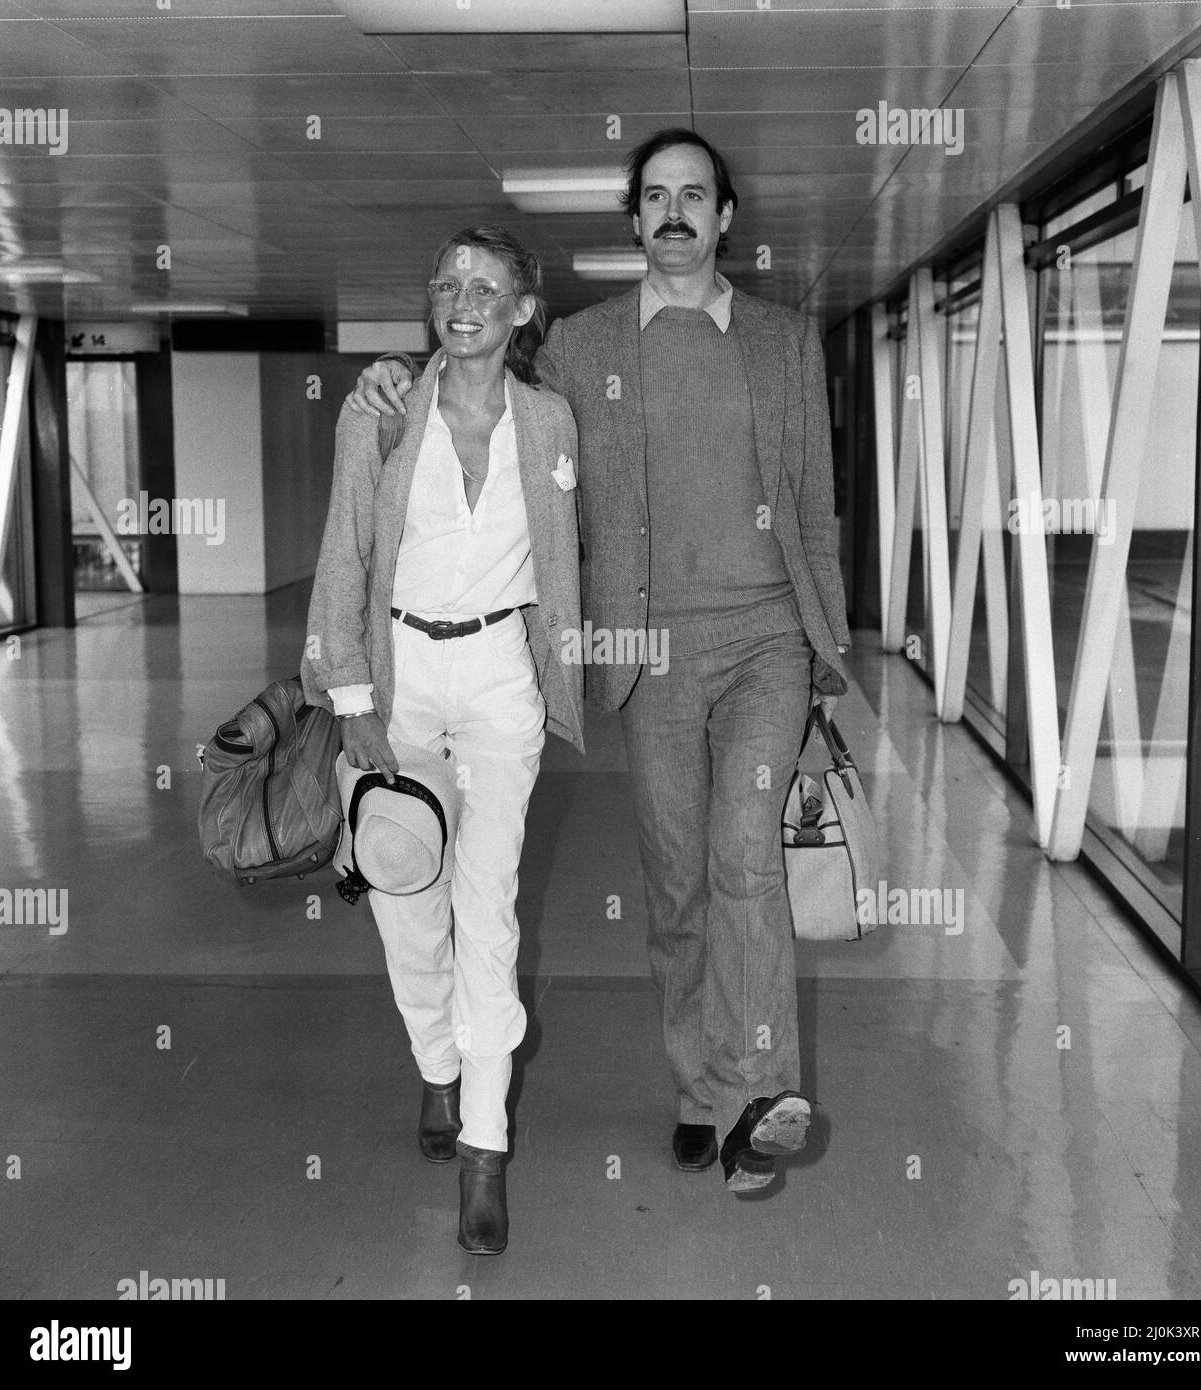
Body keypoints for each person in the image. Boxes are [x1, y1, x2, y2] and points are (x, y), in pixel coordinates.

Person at [348, 130, 850, 1194]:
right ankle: (698, 1088)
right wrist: (396, 376)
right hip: (646, 649)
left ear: (724, 218)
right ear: (634, 221)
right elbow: (475, 367)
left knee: (743, 859)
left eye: (695, 196)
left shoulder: (784, 341)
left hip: (766, 639)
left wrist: (826, 648)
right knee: (674, 886)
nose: (674, 213)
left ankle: (758, 1098)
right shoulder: (581, 347)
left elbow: (814, 505)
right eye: (655, 197)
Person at [303, 225, 583, 1254]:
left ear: (522, 311)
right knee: (402, 894)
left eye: (487, 285)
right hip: (401, 673)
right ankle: (437, 1058)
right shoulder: (380, 412)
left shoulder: (550, 421)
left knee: (489, 906)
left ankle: (483, 1142)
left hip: (501, 676)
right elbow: (342, 552)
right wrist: (348, 695)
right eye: (447, 282)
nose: (462, 297)